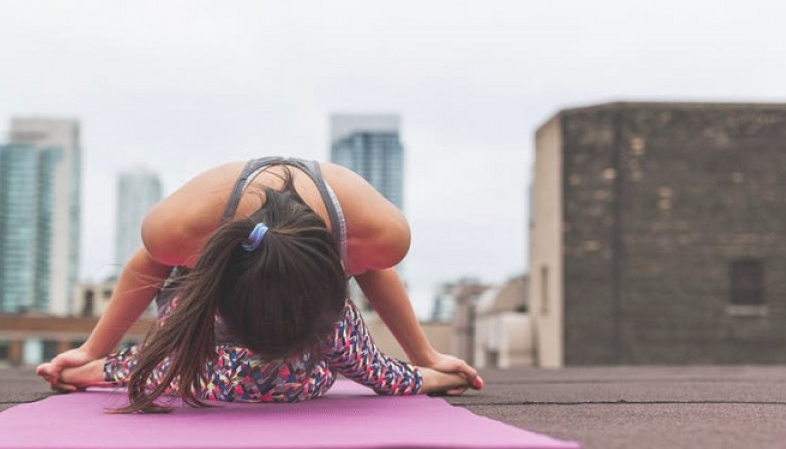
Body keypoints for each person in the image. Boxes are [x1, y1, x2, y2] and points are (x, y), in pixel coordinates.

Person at [37, 157, 483, 413]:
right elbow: (148, 266)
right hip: (201, 298)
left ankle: (126, 369)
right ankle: (121, 368)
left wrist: (425, 364)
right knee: (259, 377)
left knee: (284, 378)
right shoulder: (179, 227)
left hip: (311, 304)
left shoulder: (377, 232)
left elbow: (371, 292)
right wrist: (92, 350)